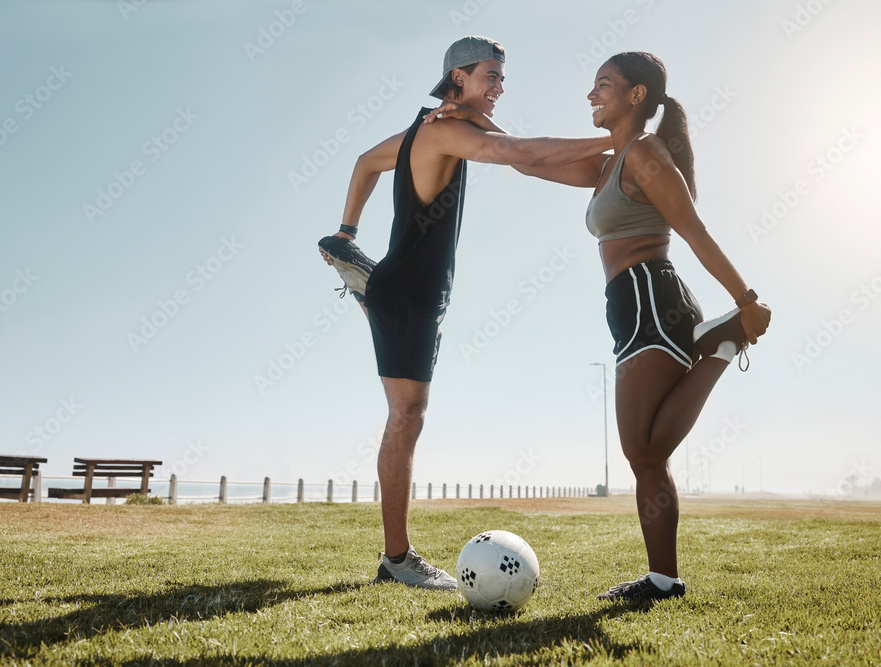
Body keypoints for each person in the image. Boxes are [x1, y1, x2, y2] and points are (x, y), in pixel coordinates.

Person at [427, 51, 772, 601]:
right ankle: (663, 579)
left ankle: (724, 346)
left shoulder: (646, 154)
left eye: (604, 85)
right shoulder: (610, 163)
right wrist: (471, 122)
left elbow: (695, 230)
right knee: (646, 453)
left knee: (644, 453)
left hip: (651, 299)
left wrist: (746, 300)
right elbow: (528, 161)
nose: (591, 94)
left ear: (637, 96)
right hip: (634, 305)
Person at [318, 36, 612, 590]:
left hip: (405, 289)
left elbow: (364, 163)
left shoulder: (426, 132)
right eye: (491, 76)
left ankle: (364, 272)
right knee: (407, 417)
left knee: (408, 414)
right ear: (458, 77)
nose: (500, 86)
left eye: (501, 77)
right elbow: (521, 155)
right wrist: (616, 136)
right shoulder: (445, 131)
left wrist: (347, 228)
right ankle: (397, 560)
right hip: (411, 294)